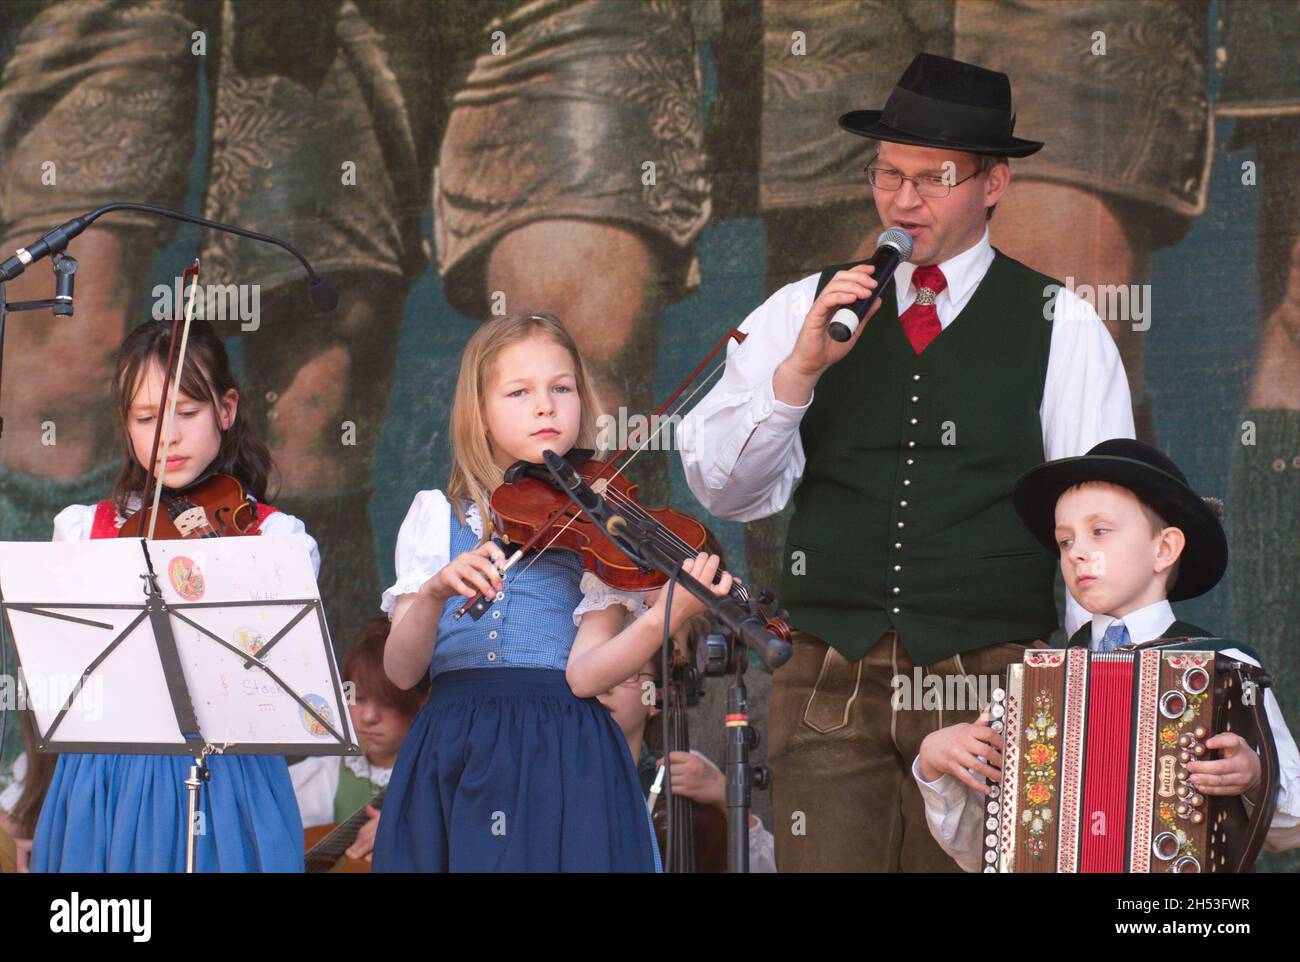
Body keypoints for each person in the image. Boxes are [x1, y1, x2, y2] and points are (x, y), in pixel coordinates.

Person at [679, 52, 1134, 871]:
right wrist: (799, 374)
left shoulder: (1060, 323)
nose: (902, 200)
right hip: (828, 680)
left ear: (993, 184)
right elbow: (727, 490)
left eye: (933, 178)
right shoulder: (801, 309)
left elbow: (1099, 534)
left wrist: (1083, 703)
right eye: (888, 174)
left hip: (989, 687)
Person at [372, 311, 733, 871]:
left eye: (561, 388)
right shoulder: (432, 516)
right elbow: (400, 671)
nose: (545, 405)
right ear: (480, 414)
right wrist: (436, 592)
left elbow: (586, 674)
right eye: (519, 392)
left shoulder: (602, 522)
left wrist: (671, 612)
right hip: (454, 745)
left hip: (560, 748)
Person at [915, 438, 1300, 869]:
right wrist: (934, 762)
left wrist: (1255, 778)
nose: (1077, 552)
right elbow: (981, 849)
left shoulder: (1227, 667)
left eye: (1099, 531)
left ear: (1164, 549)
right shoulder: (1037, 679)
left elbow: (1293, 826)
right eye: (1064, 541)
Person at [31, 319, 317, 872]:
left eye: (188, 412)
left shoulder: (277, 538)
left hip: (227, 773)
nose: (168, 436)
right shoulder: (82, 530)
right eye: (146, 418)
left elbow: (271, 677)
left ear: (226, 411)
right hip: (104, 773)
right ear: (127, 425)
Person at [597, 612, 777, 873]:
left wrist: (724, 795)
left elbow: (768, 866)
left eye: (628, 673)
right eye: (600, 670)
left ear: (657, 698)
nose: (606, 686)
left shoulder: (689, 771)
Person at [291, 617, 428, 866]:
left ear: (422, 701)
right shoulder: (324, 775)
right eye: (359, 698)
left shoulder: (442, 783)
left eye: (386, 702)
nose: (368, 717)